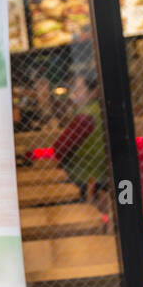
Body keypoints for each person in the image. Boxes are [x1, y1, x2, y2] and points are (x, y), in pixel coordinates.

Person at [52, 69, 106, 198]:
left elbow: (59, 148)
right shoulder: (99, 109)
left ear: (93, 92)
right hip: (98, 176)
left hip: (81, 180)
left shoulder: (85, 116)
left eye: (79, 89)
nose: (75, 93)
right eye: (75, 88)